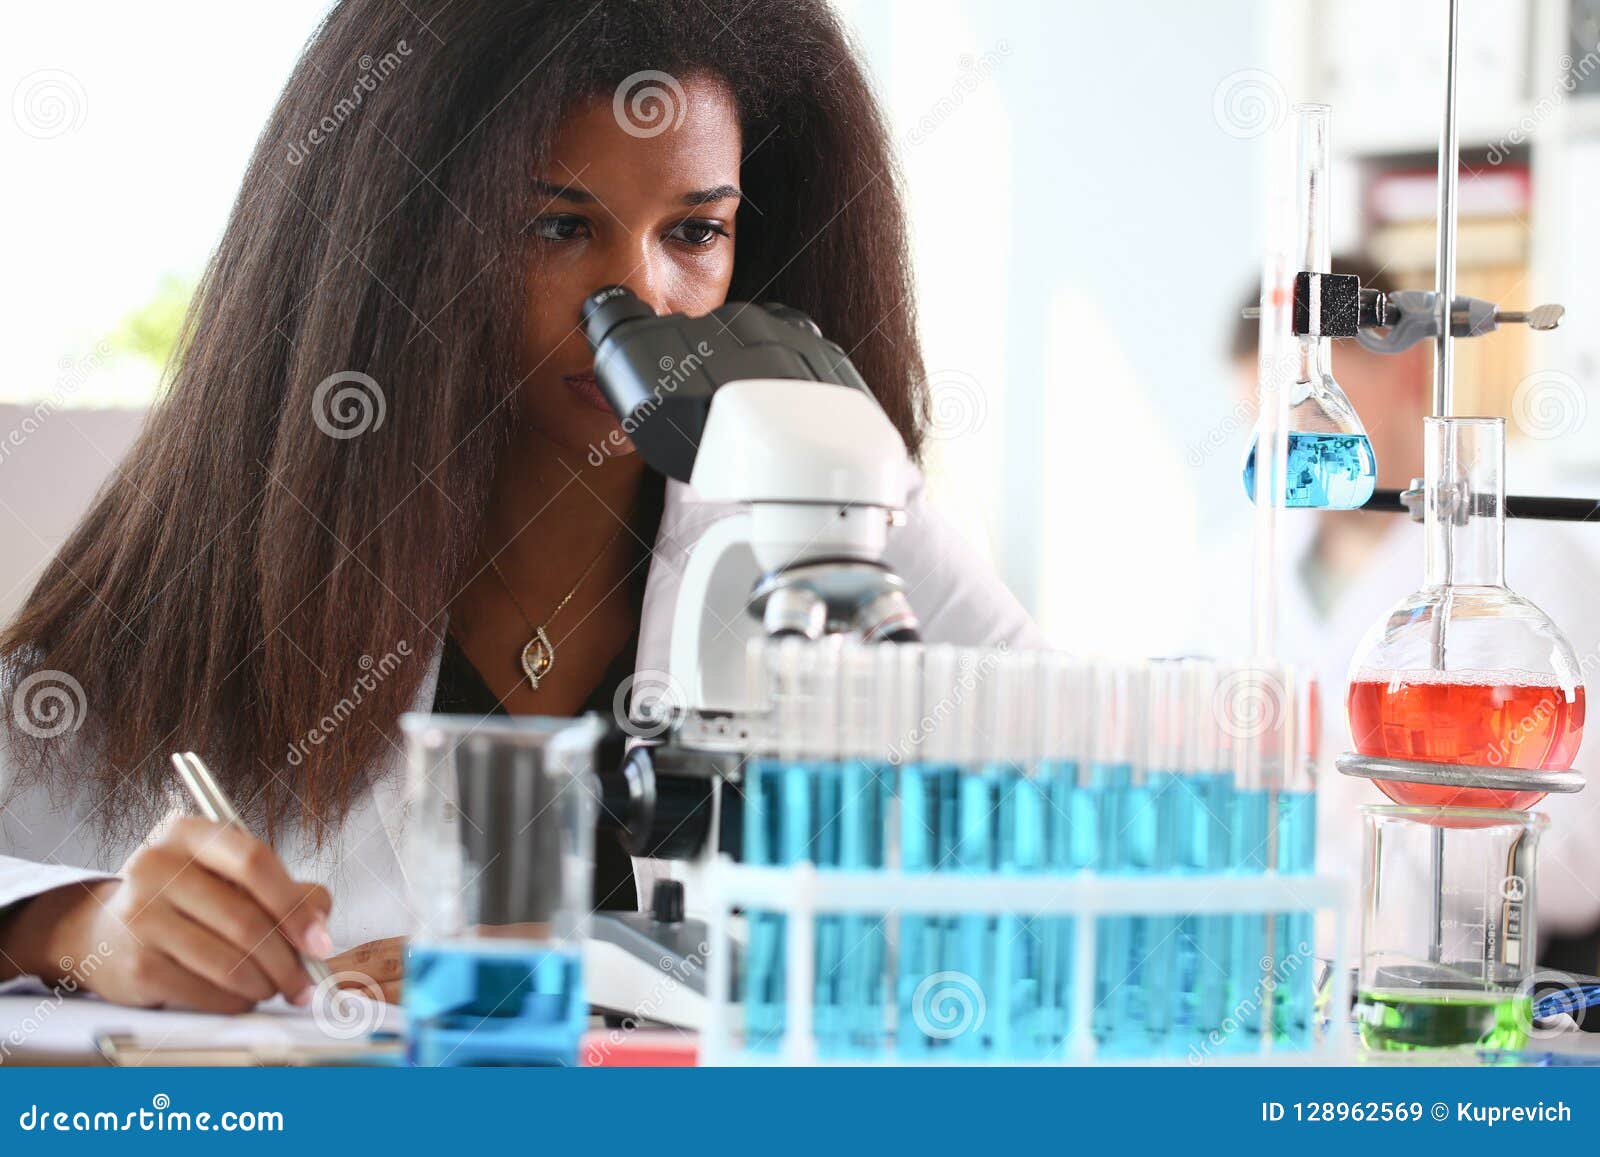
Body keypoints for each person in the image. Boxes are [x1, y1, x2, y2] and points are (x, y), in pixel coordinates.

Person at [0, 0, 1040, 1013]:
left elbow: (1072, 828)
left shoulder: (834, 507)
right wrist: (61, 924)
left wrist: (596, 959)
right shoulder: (237, 544)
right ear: (406, 239)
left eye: (694, 230)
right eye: (557, 225)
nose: (635, 300)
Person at [1215, 257, 1600, 973]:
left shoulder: (1534, 567)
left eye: (1317, 406)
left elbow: (1578, 862)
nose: (1296, 437)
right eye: (1271, 413)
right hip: (1254, 982)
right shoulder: (1235, 571)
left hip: (1440, 990)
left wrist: (1356, 799)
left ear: (1413, 375)